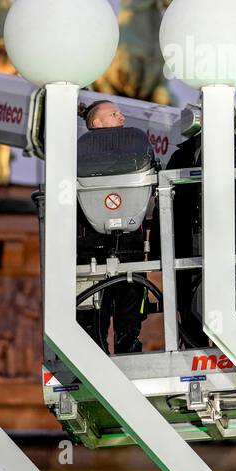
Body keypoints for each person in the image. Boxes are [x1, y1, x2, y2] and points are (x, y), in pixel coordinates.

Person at [166, 111, 236, 348]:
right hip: (188, 242)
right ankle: (196, 356)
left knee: (222, 303)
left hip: (229, 239)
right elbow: (167, 205)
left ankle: (229, 355)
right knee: (189, 305)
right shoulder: (182, 156)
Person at [75, 98, 150, 353]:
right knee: (93, 312)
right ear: (96, 123)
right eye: (114, 114)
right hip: (91, 248)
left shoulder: (136, 153)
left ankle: (128, 349)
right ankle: (94, 358)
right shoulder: (79, 156)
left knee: (130, 308)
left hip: (130, 246)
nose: (122, 117)